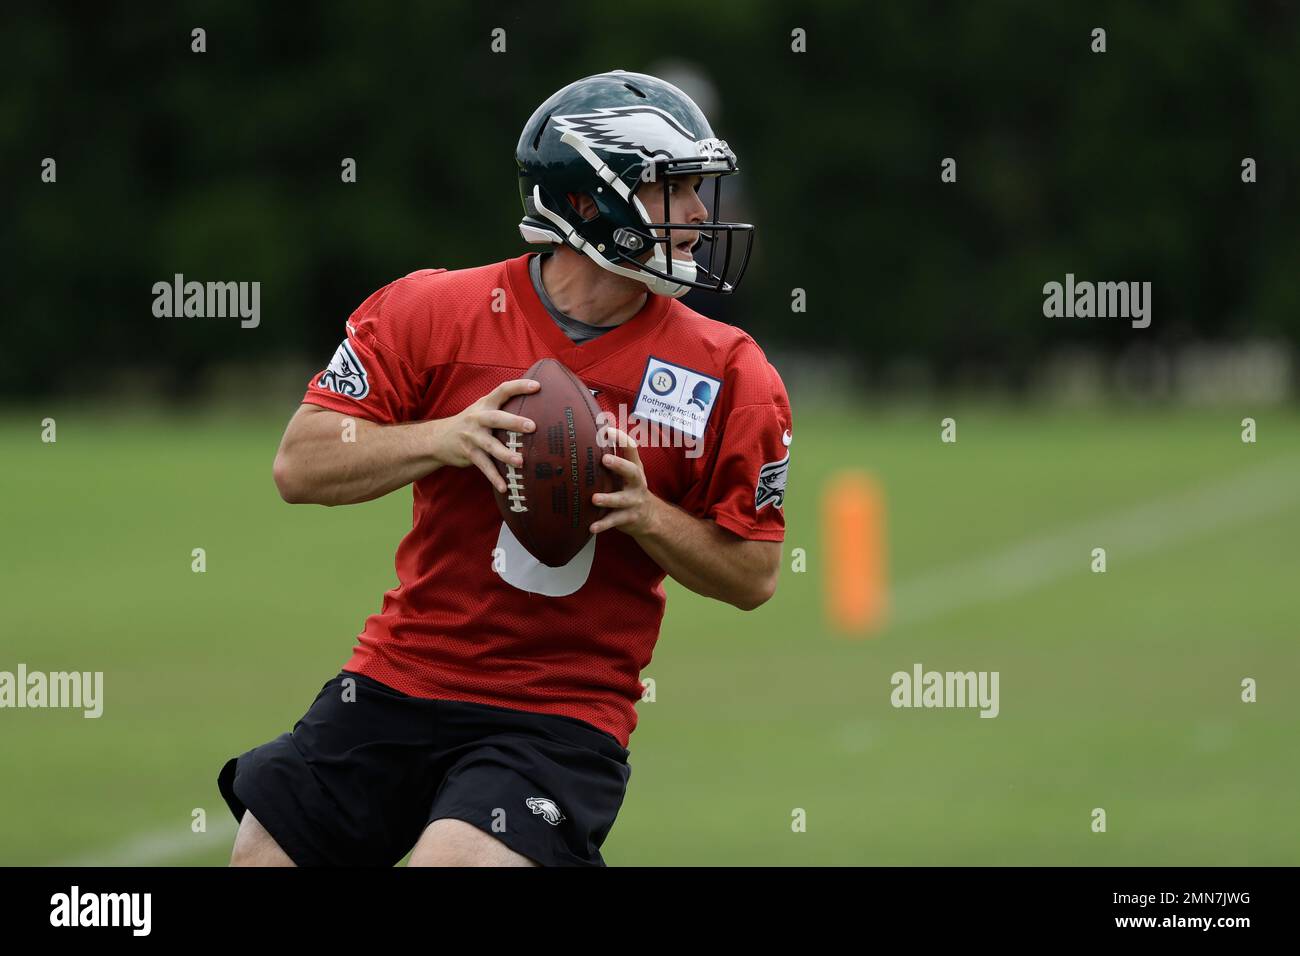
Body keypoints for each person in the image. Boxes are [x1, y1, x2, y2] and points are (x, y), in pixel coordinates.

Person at [217, 69, 792, 867]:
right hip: (397, 679)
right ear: (591, 202)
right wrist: (446, 437)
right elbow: (300, 464)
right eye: (675, 188)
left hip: (557, 715)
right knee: (261, 851)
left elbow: (755, 572)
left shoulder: (728, 369)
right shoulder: (432, 311)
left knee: (454, 863)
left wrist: (646, 513)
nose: (700, 214)